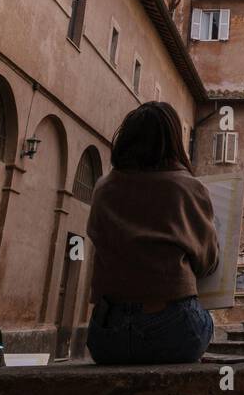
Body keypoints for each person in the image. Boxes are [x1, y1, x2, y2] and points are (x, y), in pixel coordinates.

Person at [86, 101, 219, 364]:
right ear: (172, 142)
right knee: (206, 322)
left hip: (108, 335)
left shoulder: (103, 188)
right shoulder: (188, 187)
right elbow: (207, 263)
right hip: (173, 330)